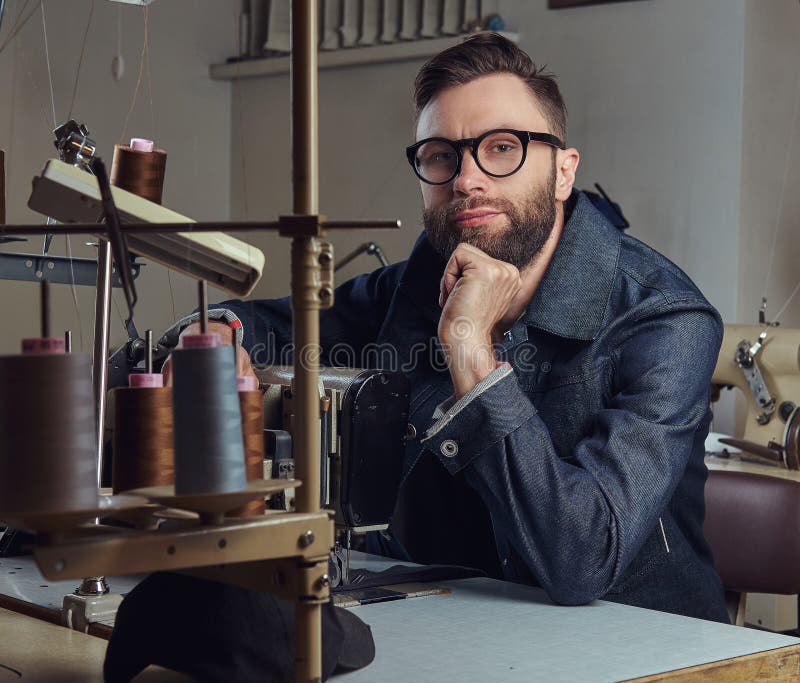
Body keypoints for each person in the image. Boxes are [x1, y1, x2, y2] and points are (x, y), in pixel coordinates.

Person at [166, 33, 728, 622]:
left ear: (564, 172)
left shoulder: (664, 319)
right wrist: (214, 337)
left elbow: (580, 557)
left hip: (642, 646)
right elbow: (276, 325)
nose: (466, 179)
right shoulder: (415, 285)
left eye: (503, 148)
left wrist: (469, 346)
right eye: (441, 155)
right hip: (455, 620)